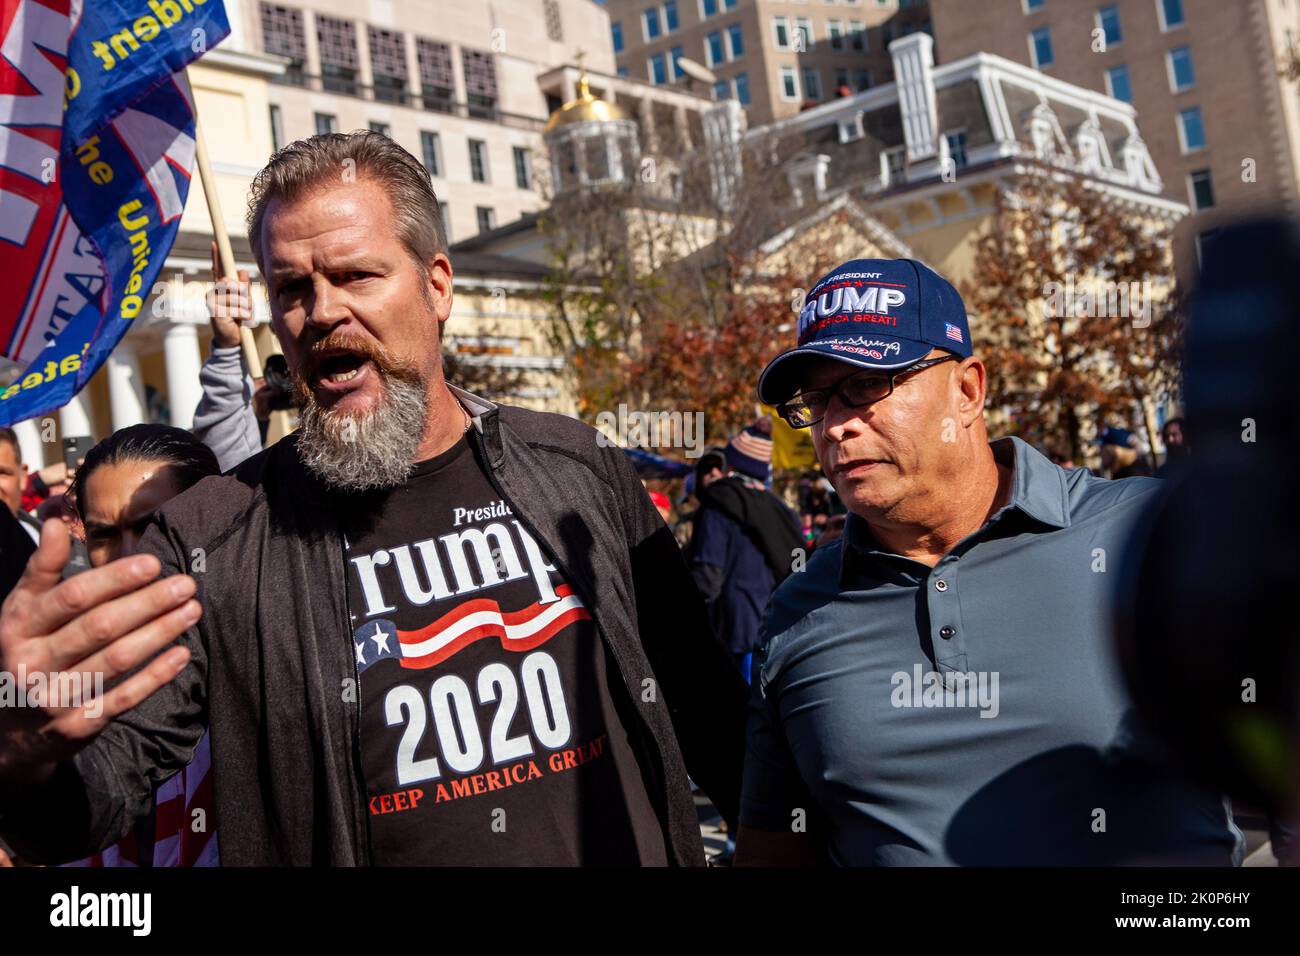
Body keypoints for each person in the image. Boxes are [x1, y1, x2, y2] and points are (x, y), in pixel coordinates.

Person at [0, 131, 745, 867]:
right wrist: (24, 755)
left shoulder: (579, 468)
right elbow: (92, 801)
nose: (320, 312)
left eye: (356, 275)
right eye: (291, 288)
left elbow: (708, 710)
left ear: (438, 285)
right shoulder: (207, 540)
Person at [734, 257, 1243, 866]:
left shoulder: (1152, 533)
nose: (837, 426)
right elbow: (774, 852)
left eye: (869, 385)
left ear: (968, 389)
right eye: (817, 400)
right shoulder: (798, 609)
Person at [59, 424, 222, 867]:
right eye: (105, 536)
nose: (131, 559)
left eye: (155, 525)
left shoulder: (270, 650)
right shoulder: (75, 685)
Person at [687, 427, 803, 684]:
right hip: (781, 633)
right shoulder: (781, 510)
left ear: (732, 463)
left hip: (733, 637)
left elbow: (707, 576)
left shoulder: (719, 502)